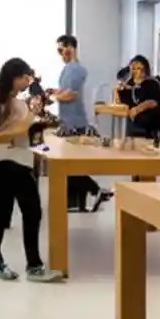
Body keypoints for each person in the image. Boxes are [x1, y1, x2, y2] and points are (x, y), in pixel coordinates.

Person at [0, 58, 64, 283]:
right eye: (25, 76)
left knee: (1, 214)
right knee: (32, 213)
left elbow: (5, 133)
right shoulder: (13, 104)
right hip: (16, 164)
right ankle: (34, 266)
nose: (28, 80)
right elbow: (20, 133)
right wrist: (33, 122)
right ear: (15, 78)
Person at [51, 35, 108, 212]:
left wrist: (52, 97)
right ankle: (80, 200)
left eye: (65, 49)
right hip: (69, 121)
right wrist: (55, 92)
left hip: (76, 123)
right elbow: (65, 91)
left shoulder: (76, 69)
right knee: (71, 164)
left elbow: (70, 95)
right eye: (60, 50)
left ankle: (95, 191)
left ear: (73, 47)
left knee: (69, 165)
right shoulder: (68, 69)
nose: (63, 53)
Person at [124, 55, 160, 141]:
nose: (136, 71)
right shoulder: (130, 83)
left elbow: (153, 102)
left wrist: (137, 109)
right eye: (133, 68)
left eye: (139, 68)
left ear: (145, 69)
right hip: (134, 126)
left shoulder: (152, 83)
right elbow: (124, 101)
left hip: (152, 127)